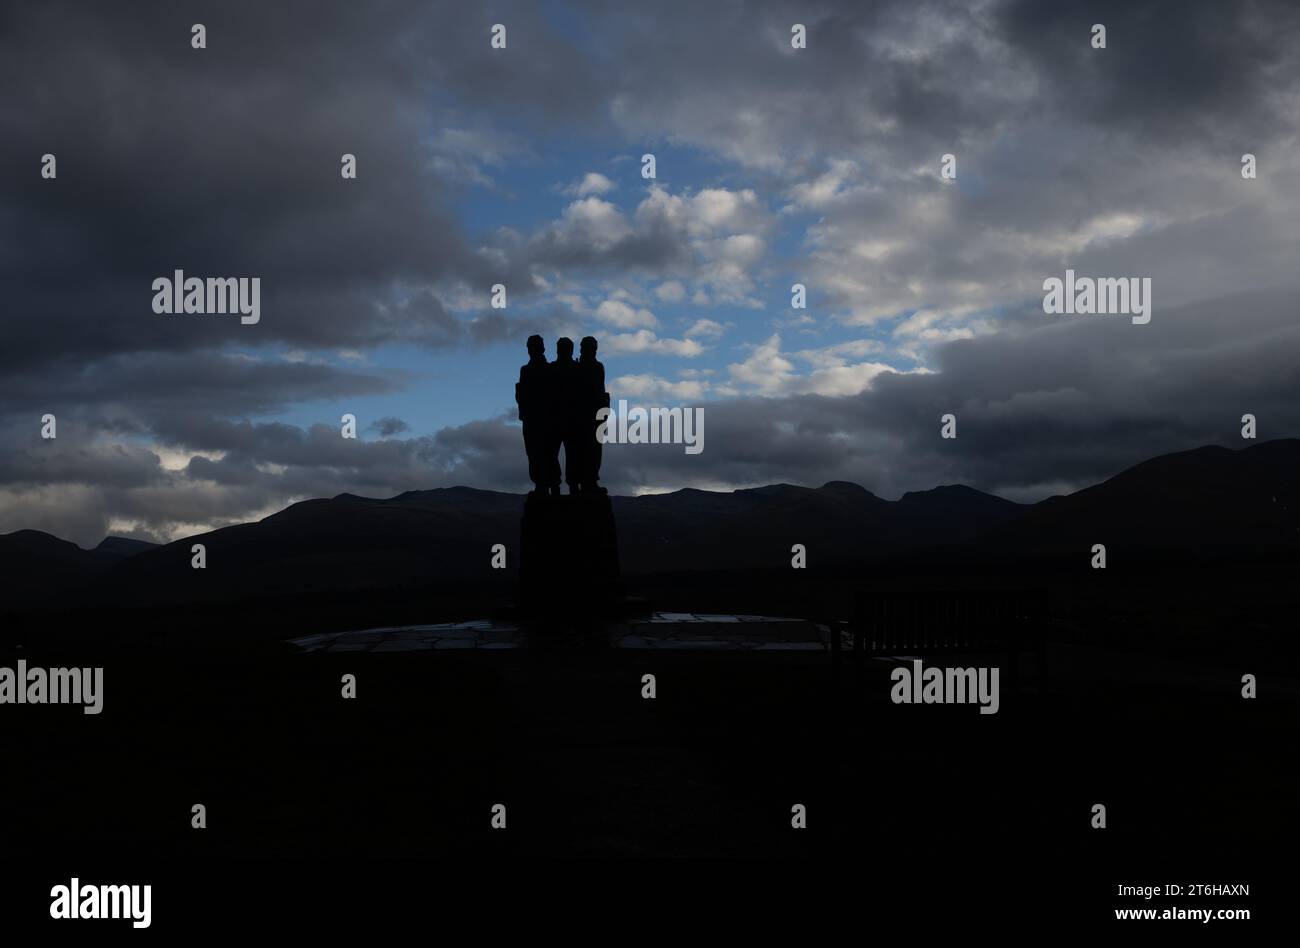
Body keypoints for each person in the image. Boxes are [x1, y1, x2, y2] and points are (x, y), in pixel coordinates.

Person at [515, 335, 560, 495]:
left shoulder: (548, 369)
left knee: (546, 452)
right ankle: (543, 484)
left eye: (533, 347)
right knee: (537, 453)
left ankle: (550, 484)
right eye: (531, 347)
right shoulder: (526, 370)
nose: (531, 350)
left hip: (544, 418)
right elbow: (521, 395)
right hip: (533, 418)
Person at [551, 337, 584, 494]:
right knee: (553, 454)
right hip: (557, 418)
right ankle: (557, 484)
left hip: (571, 418)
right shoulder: (553, 368)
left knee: (573, 454)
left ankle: (572, 484)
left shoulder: (577, 369)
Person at [576, 336, 608, 493]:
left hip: (595, 415)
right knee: (586, 450)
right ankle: (586, 482)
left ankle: (591, 481)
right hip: (585, 416)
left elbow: (601, 391)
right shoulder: (582, 368)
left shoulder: (597, 367)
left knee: (594, 451)